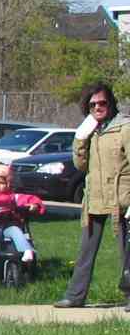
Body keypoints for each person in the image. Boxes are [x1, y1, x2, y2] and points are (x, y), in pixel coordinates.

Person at [59, 84, 129, 309]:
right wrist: (81, 137)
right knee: (85, 251)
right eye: (92, 104)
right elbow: (81, 165)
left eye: (102, 103)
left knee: (126, 251)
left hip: (123, 197)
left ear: (111, 103)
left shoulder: (124, 127)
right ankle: (75, 295)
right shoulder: (91, 131)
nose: (98, 107)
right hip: (95, 197)